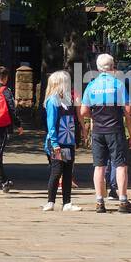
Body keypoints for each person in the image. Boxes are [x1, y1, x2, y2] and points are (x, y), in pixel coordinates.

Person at [81, 53, 131, 213]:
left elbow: (84, 111)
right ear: (113, 67)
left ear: (98, 68)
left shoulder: (91, 86)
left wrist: (95, 116)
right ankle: (123, 201)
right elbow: (127, 110)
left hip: (98, 131)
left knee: (99, 167)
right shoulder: (118, 85)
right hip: (115, 130)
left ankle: (99, 202)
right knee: (120, 166)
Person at [42, 70, 81, 212]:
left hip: (68, 141)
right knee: (57, 171)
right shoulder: (53, 101)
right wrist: (54, 142)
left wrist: (74, 139)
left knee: (68, 172)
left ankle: (67, 202)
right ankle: (50, 201)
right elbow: (51, 124)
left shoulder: (67, 100)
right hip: (57, 142)